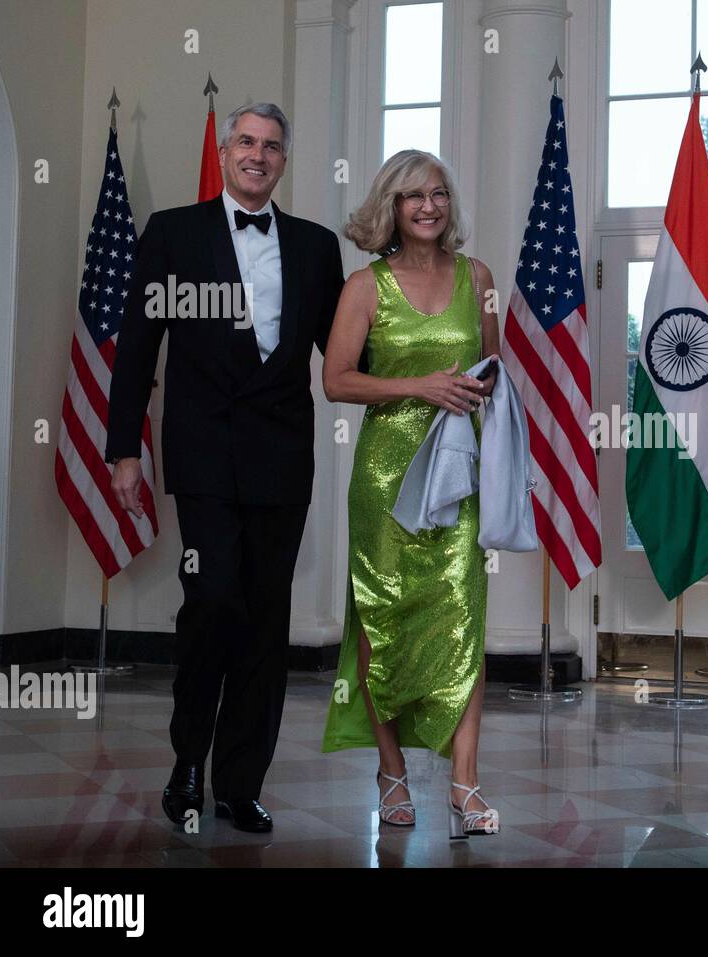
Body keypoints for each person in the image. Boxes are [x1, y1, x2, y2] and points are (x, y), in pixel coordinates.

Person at [106, 103, 345, 833]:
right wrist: (124, 449)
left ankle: (240, 782)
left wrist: (429, 352)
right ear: (225, 150)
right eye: (246, 141)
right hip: (205, 456)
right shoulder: (173, 233)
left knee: (266, 621)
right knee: (212, 603)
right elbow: (138, 346)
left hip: (281, 463)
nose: (258, 154)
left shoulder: (314, 246)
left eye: (273, 145)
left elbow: (345, 352)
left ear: (284, 160)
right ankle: (187, 762)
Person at [320, 149, 501, 838]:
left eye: (439, 194)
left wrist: (473, 387)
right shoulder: (365, 287)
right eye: (412, 196)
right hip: (386, 477)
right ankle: (391, 769)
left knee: (463, 611)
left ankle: (464, 781)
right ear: (390, 208)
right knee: (382, 618)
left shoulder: (478, 277)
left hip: (456, 473)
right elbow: (336, 379)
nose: (428, 206)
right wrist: (417, 386)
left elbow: (493, 366)